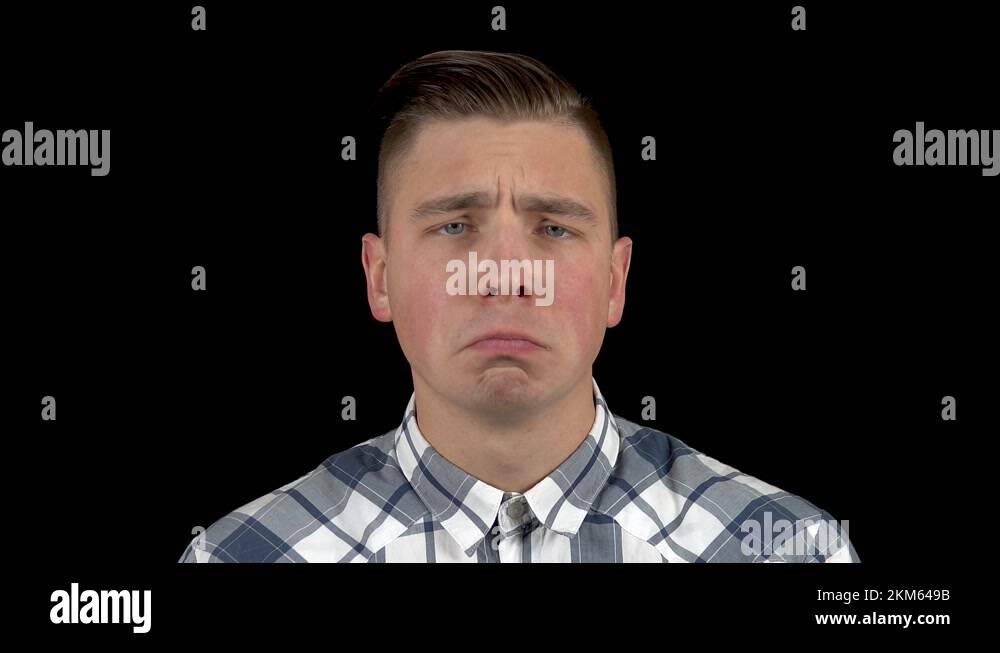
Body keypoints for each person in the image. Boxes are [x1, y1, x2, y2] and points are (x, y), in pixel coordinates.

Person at [180, 50, 858, 563]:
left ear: (617, 280)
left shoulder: (791, 550)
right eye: (455, 227)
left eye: (554, 229)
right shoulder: (241, 555)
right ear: (379, 276)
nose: (505, 274)